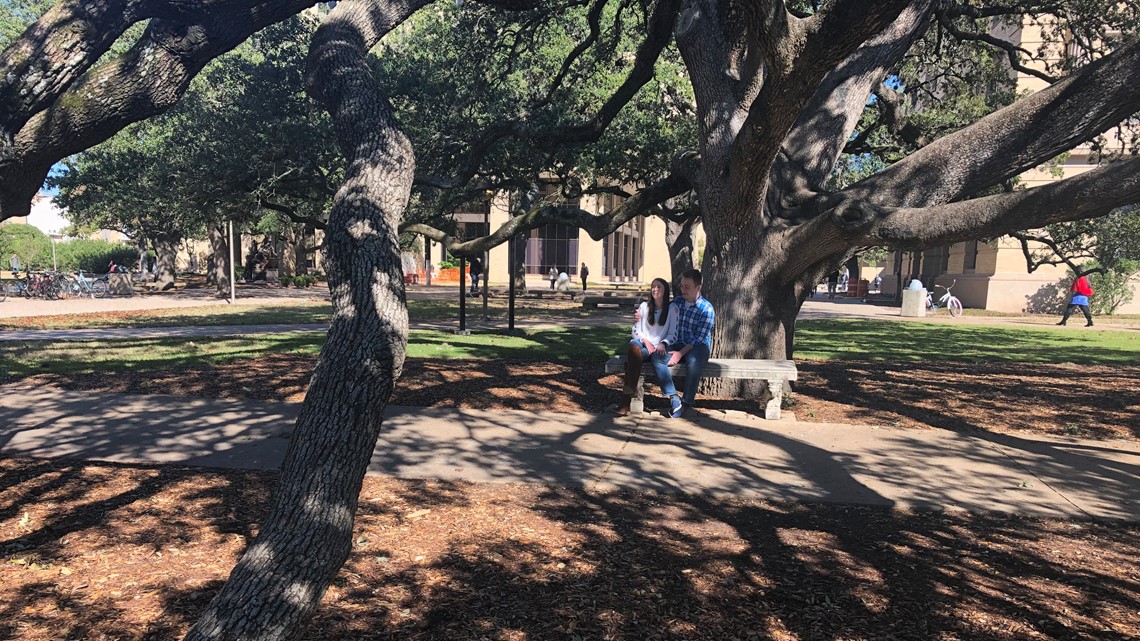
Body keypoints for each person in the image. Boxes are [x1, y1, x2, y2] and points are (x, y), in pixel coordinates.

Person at [649, 269, 714, 418]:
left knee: (693, 361)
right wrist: (643, 314)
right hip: (677, 342)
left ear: (698, 288)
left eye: (687, 287)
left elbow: (698, 338)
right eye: (682, 286)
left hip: (698, 347)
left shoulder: (707, 309)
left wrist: (680, 354)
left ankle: (687, 401)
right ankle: (673, 397)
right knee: (657, 357)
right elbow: (659, 309)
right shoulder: (677, 302)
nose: (683, 290)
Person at [616, 278, 678, 416]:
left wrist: (663, 343)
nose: (655, 289)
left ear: (665, 290)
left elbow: (674, 333)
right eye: (653, 287)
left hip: (659, 348)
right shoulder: (644, 306)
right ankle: (631, 390)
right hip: (642, 345)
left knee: (632, 360)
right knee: (633, 348)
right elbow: (635, 330)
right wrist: (645, 341)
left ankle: (626, 400)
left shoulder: (672, 309)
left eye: (659, 287)